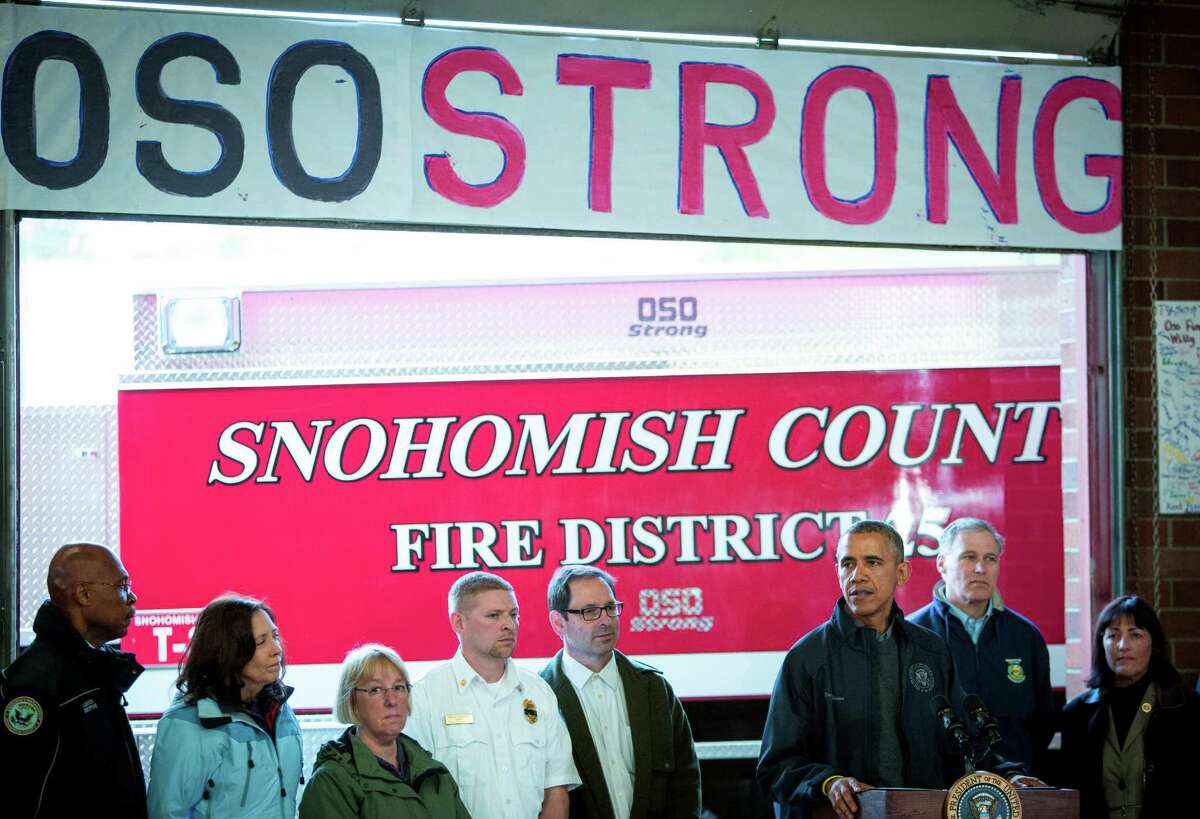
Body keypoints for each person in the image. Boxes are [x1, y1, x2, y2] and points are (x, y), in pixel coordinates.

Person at [757, 520, 1030, 819]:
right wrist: (828, 782)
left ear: (902, 573)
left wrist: (1008, 776)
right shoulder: (806, 658)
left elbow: (966, 746)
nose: (857, 575)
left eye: (872, 562)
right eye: (847, 563)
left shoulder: (931, 651)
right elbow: (776, 766)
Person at [406, 571, 580, 819]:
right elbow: (414, 797)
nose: (509, 624)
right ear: (459, 623)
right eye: (493, 615)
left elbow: (556, 791)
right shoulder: (424, 696)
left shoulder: (539, 691)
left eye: (513, 614)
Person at [540, 566, 701, 819]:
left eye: (611, 607)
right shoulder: (540, 696)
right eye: (590, 611)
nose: (606, 620)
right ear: (558, 622)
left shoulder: (653, 688)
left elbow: (686, 782)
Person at [0, 542, 147, 819]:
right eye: (122, 585)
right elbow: (21, 796)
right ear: (83, 593)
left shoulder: (93, 667)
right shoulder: (35, 683)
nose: (132, 597)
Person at [909, 518, 1055, 774]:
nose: (980, 568)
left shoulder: (1025, 636)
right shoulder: (912, 635)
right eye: (968, 557)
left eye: (990, 558)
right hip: (935, 795)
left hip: (1013, 792)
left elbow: (1042, 724)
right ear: (941, 564)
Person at [148, 594, 304, 818]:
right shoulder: (188, 723)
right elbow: (166, 812)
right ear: (228, 651)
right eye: (261, 642)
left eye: (275, 636)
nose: (276, 649)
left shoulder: (280, 710)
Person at [1061, 594, 1200, 818]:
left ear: (1153, 643)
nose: (1123, 645)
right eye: (1113, 635)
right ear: (1101, 642)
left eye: (1135, 635)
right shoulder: (1077, 715)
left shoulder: (1186, 708)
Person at [300, 643, 470, 818]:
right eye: (376, 690)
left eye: (398, 687)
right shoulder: (331, 782)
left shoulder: (434, 773)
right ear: (352, 701)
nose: (392, 700)